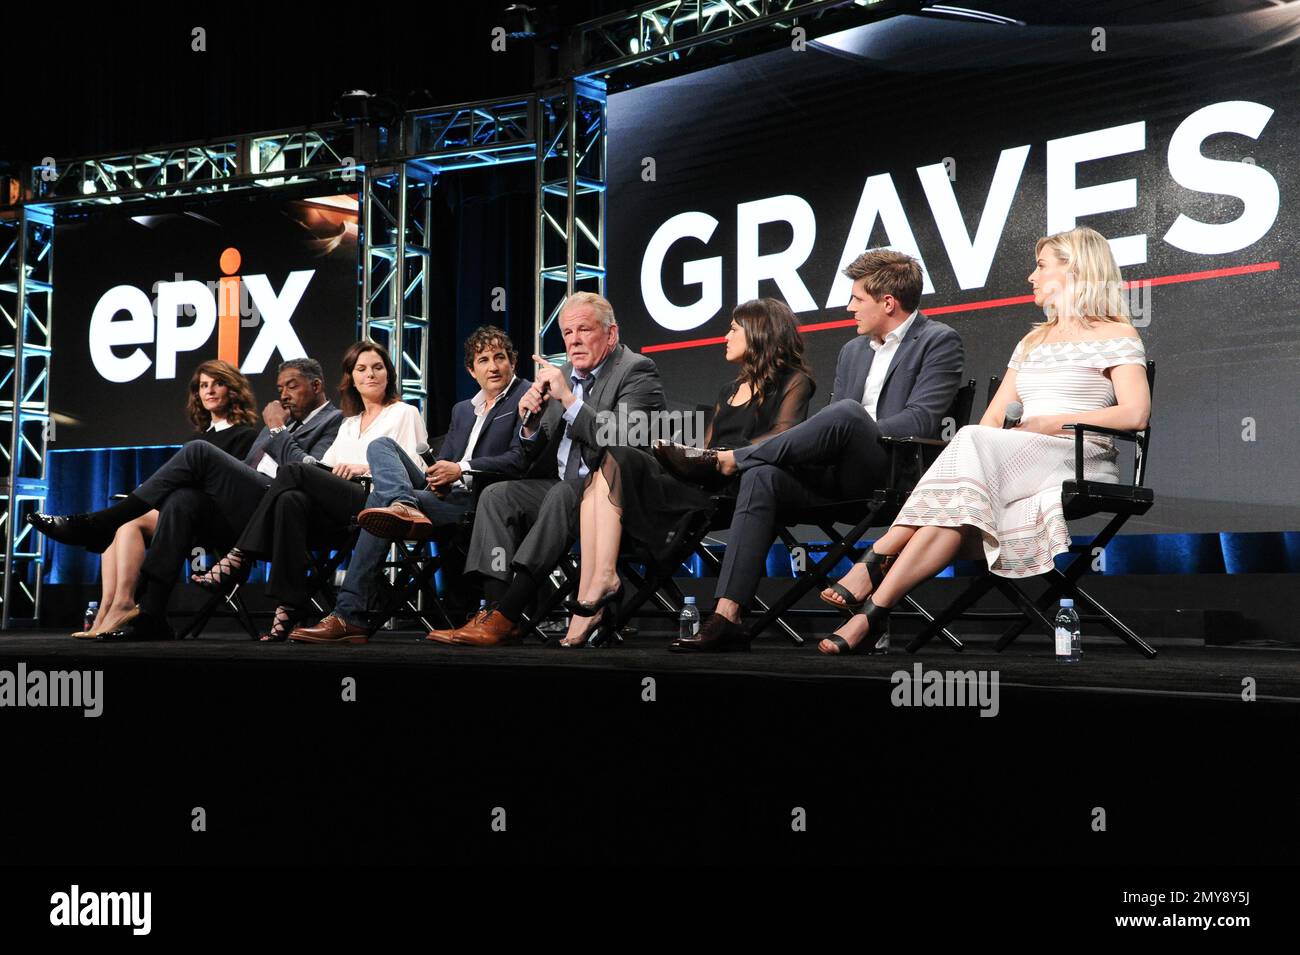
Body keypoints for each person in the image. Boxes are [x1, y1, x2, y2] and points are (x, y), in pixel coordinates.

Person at [817, 226, 1150, 655]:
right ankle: (871, 615)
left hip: (1078, 454)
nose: (1031, 276)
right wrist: (1015, 434)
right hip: (1013, 456)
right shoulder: (1033, 341)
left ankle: (876, 556)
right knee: (955, 511)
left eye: (1042, 266)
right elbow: (994, 418)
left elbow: (1134, 414)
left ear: (1076, 270)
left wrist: (1052, 423)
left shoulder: (1116, 335)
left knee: (973, 439)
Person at [654, 248, 965, 652]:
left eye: (857, 298)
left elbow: (922, 420)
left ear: (887, 303)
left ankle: (730, 459)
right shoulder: (852, 351)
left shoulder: (938, 341)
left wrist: (857, 428)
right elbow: (833, 427)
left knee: (848, 413)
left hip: (891, 475)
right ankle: (727, 616)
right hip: (837, 476)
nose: (849, 306)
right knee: (762, 476)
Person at [558, 298, 815, 648]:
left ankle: (597, 590)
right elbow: (705, 450)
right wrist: (675, 452)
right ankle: (598, 581)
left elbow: (784, 436)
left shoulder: (795, 382)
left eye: (733, 330)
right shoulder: (729, 390)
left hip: (741, 485)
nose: (725, 337)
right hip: (702, 480)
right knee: (617, 455)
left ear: (758, 335)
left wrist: (725, 456)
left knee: (616, 465)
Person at [29, 358, 343, 640]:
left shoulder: (334, 421)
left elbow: (309, 473)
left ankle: (102, 523)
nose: (284, 394)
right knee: (182, 500)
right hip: (245, 515)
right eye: (280, 388)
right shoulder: (284, 422)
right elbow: (248, 469)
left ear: (316, 386)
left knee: (198, 452)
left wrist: (275, 429)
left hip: (284, 511)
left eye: (292, 386)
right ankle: (152, 615)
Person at [427, 292, 667, 647]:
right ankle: (495, 614)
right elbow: (531, 454)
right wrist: (530, 422)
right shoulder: (565, 372)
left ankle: (509, 610)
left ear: (611, 334)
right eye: (567, 333)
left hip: (615, 496)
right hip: (564, 487)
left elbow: (624, 438)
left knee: (561, 492)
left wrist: (569, 401)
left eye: (584, 330)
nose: (574, 340)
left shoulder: (635, 370)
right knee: (498, 495)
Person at [289, 325, 531, 644]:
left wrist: (460, 468)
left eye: (500, 357)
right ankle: (402, 506)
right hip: (441, 494)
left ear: (512, 362)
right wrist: (440, 472)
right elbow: (441, 460)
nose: (494, 366)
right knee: (381, 446)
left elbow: (519, 459)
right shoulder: (463, 410)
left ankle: (350, 616)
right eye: (484, 360)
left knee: (379, 501)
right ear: (472, 371)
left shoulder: (524, 396)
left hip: (483, 499)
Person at [191, 341, 426, 643]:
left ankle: (239, 556)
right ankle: (288, 606)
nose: (370, 374)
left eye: (378, 367)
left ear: (389, 374)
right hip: (338, 506)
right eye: (362, 369)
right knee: (291, 498)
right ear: (351, 378)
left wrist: (361, 467)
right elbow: (321, 472)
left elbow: (411, 472)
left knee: (292, 471)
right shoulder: (349, 423)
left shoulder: (404, 412)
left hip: (377, 502)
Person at [77, 360, 259, 637]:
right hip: (180, 514)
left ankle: (126, 604)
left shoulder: (248, 436)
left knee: (137, 518)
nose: (209, 391)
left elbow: (234, 488)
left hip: (217, 519)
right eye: (203, 386)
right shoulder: (196, 439)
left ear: (233, 390)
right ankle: (108, 607)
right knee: (122, 523)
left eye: (217, 383)